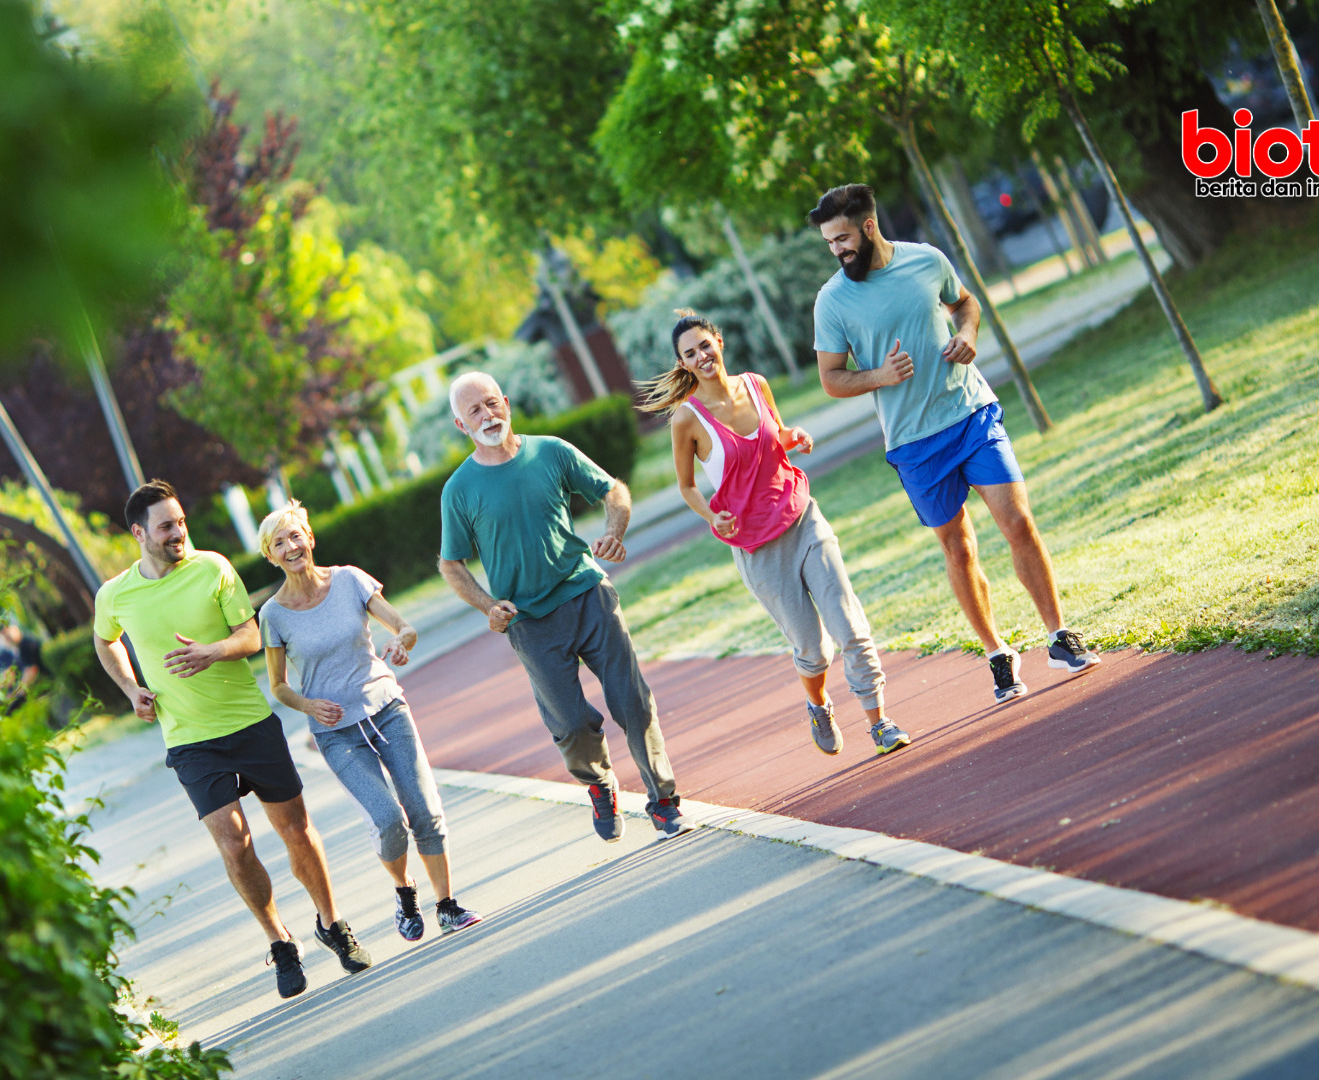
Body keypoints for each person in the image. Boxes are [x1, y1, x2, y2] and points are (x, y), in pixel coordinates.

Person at [809, 183, 1099, 704]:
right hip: (913, 442)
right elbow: (832, 379)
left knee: (1017, 521)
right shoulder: (832, 300)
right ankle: (997, 654)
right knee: (958, 547)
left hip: (970, 413)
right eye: (830, 242)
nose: (838, 250)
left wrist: (968, 333)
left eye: (844, 238)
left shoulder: (926, 261)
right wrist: (878, 375)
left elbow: (965, 303)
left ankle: (1058, 636)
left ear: (870, 226)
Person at [92, 479, 372, 1000]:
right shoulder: (115, 594)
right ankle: (280, 942)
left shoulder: (212, 567)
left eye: (180, 522)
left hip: (249, 723)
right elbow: (105, 640)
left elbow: (250, 634)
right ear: (139, 533)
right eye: (166, 526)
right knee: (235, 845)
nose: (179, 532)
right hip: (191, 741)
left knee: (295, 828)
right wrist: (131, 689)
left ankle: (331, 923)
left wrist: (212, 651)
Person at [641, 310, 909, 756]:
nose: (701, 356)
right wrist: (712, 517)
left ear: (719, 342)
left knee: (850, 627)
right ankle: (818, 703)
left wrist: (793, 437)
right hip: (757, 546)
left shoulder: (756, 384)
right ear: (683, 364)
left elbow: (776, 436)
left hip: (802, 516)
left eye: (705, 345)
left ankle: (879, 721)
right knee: (813, 648)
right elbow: (687, 485)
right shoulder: (688, 420)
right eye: (690, 354)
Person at [436, 372, 686, 842]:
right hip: (529, 623)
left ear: (506, 402)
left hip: (587, 592)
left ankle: (664, 799)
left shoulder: (550, 451)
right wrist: (488, 606)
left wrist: (615, 529)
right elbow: (450, 564)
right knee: (571, 724)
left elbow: (613, 489)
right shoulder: (459, 489)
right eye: (475, 410)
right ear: (459, 423)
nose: (488, 415)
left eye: (492, 403)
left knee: (632, 701)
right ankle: (600, 785)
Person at [257, 501, 482, 941]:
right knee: (387, 821)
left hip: (386, 708)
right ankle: (404, 891)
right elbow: (279, 687)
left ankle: (447, 905)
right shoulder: (273, 615)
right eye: (279, 542)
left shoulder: (349, 580)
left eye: (295, 535)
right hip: (337, 731)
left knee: (424, 812)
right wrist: (308, 706)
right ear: (270, 556)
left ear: (310, 538)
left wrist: (402, 640)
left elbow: (404, 627)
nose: (291, 546)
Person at [0, 620, 42, 715]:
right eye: (4, 635)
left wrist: (16, 694)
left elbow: (31, 671)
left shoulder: (26, 644)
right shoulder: (20, 649)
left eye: (7, 631)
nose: (7, 636)